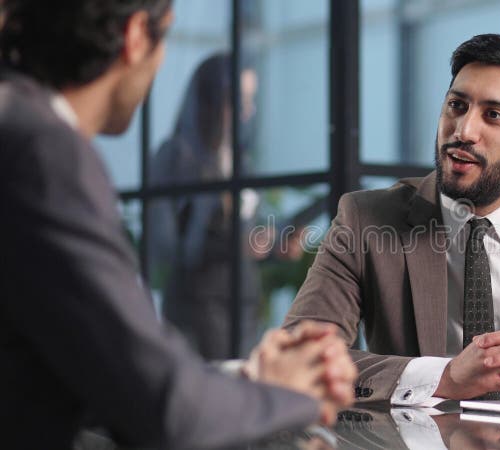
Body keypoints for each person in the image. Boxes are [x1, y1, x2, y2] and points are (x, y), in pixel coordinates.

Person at [0, 1, 355, 448]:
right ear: (134, 36)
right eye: (165, 36)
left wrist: (244, 381)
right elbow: (163, 408)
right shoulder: (43, 150)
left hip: (230, 315)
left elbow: (88, 373)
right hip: (201, 309)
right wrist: (284, 390)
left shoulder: (18, 125)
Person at [284, 34, 500, 404]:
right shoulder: (365, 221)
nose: (463, 131)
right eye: (456, 106)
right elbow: (298, 360)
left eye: (493, 115)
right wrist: (444, 377)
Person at [148, 53, 264, 359]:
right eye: (238, 100)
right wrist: (231, 245)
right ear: (210, 100)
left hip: (244, 306)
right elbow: (166, 245)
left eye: (251, 100)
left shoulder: (241, 162)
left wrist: (273, 246)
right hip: (198, 310)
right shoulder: (175, 156)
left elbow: (245, 230)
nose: (248, 111)